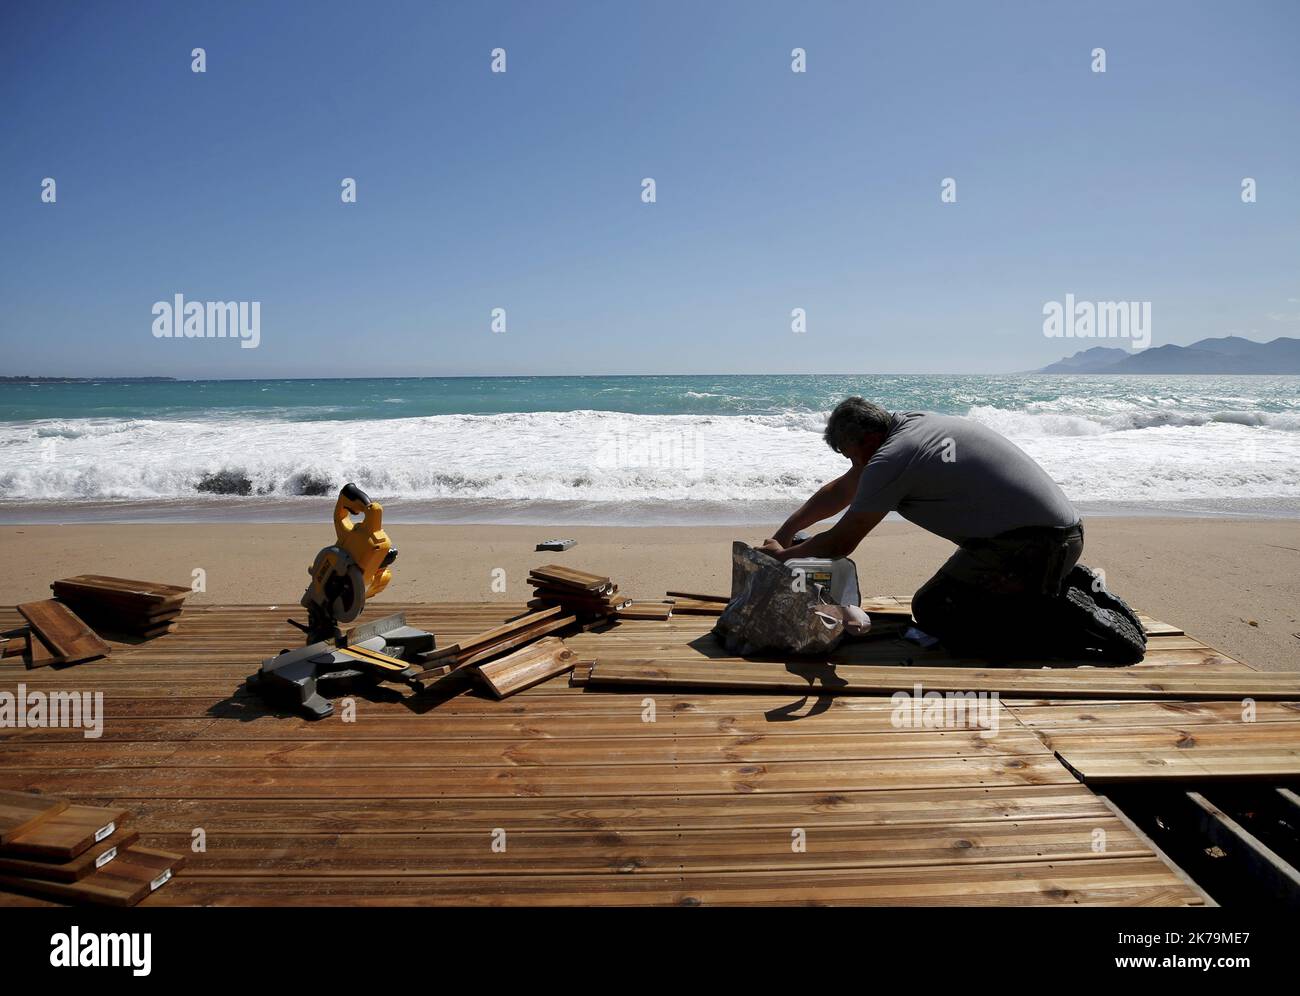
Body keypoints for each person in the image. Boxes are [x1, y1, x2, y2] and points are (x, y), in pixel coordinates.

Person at [760, 397, 1144, 661]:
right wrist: (786, 533)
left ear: (870, 440)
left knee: (937, 612)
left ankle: (1061, 615)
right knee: (961, 596)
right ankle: (1055, 582)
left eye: (850, 455)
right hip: (1059, 537)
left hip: (1028, 546)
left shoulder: (892, 457)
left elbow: (843, 541)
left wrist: (784, 558)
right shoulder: (912, 426)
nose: (852, 464)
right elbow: (842, 489)